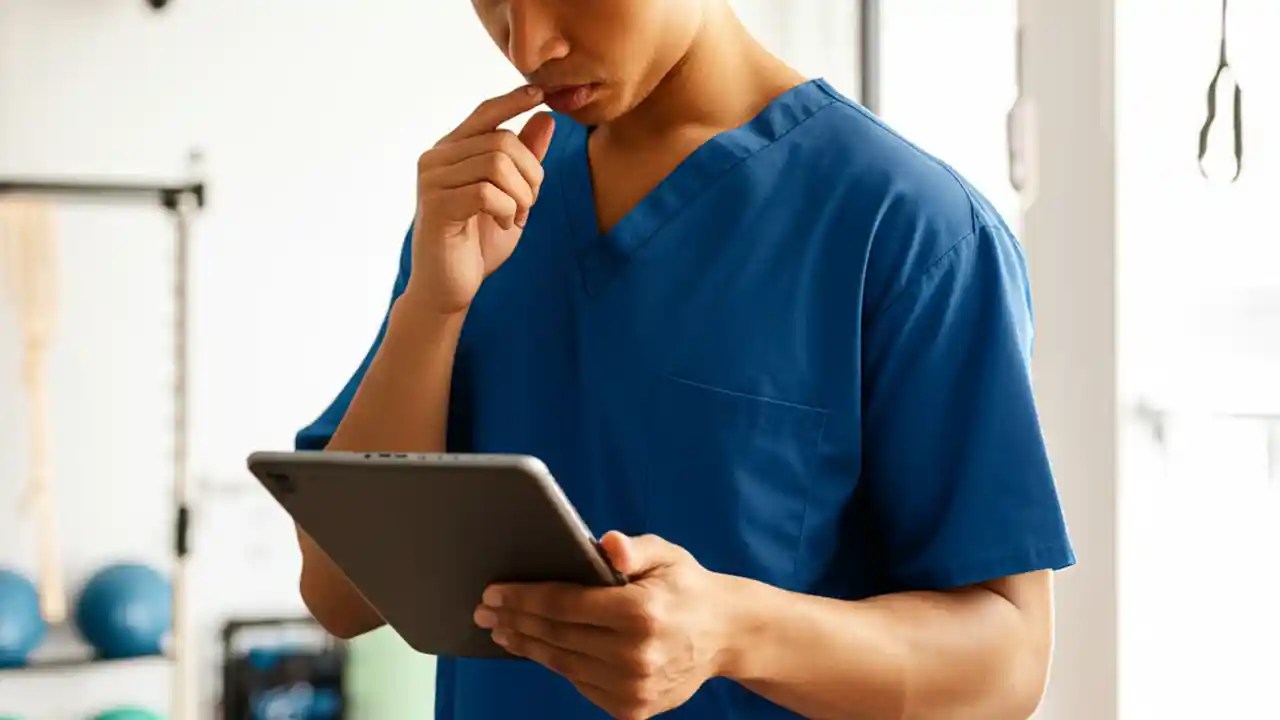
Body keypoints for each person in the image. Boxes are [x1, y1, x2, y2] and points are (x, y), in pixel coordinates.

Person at [292, 0, 1075, 718]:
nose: (529, 44)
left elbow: (1007, 660)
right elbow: (340, 595)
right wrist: (432, 305)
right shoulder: (488, 208)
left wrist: (735, 633)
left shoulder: (908, 228)